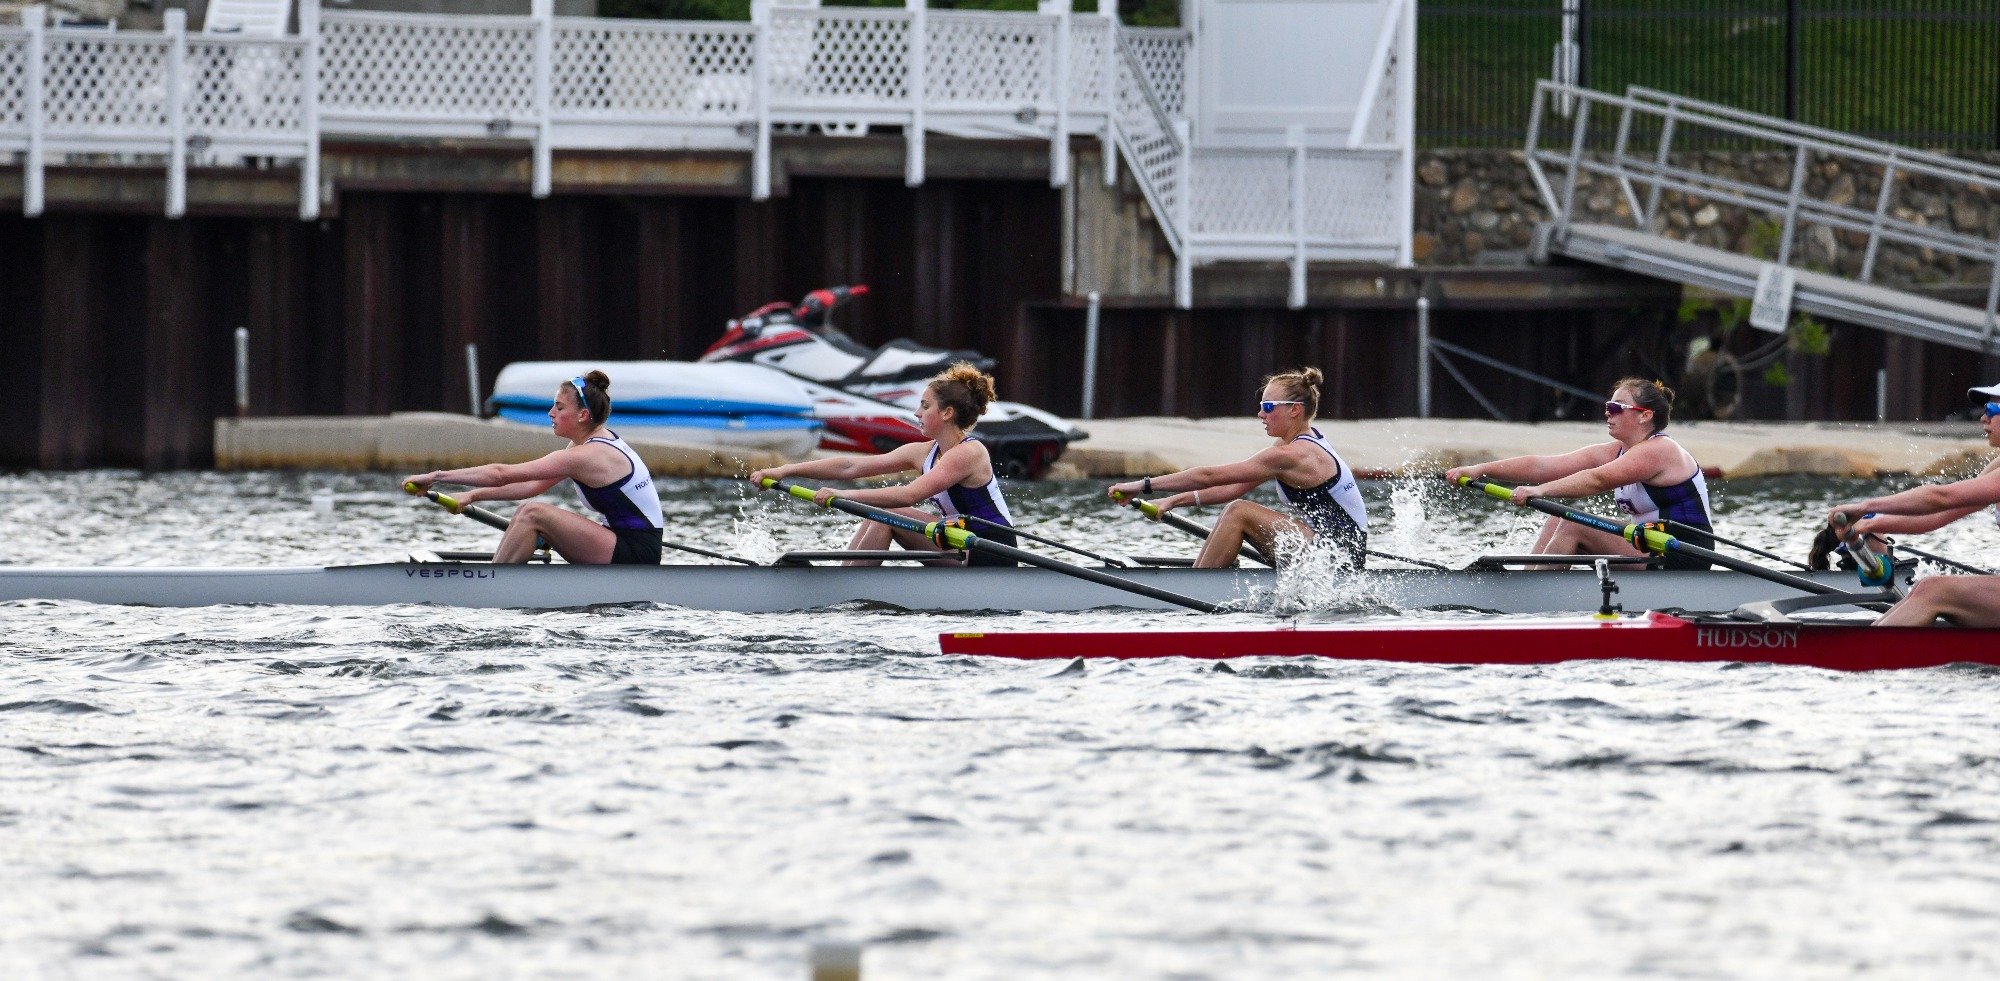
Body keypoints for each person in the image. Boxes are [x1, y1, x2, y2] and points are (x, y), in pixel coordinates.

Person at [747, 362, 1018, 566]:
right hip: (956, 542)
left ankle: (843, 591)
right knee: (878, 513)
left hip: (992, 550)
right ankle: (842, 581)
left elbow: (909, 495)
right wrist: (784, 471)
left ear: (947, 413)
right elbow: (849, 467)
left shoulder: (969, 453)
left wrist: (842, 494)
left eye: (925, 406)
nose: (916, 413)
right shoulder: (922, 452)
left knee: (889, 513)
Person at [1106, 367, 1368, 569]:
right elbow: (1230, 488)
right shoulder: (1294, 443)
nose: (1260, 415)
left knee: (1239, 512)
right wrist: (1171, 502)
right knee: (1235, 508)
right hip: (1326, 546)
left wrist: (1142, 485)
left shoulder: (1295, 454)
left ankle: (1195, 586)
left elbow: (1208, 476)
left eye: (1268, 407)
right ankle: (1200, 577)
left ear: (1294, 411)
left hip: (1337, 555)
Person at [1442, 377, 1715, 570]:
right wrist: (1481, 469)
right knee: (1556, 519)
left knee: (1573, 524)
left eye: (1617, 408)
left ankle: (1532, 595)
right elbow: (1543, 466)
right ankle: (1529, 585)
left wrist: (1540, 491)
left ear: (1645, 416)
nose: (1608, 413)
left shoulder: (1660, 450)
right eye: (1608, 407)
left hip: (1683, 552)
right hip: (1649, 544)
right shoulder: (1616, 451)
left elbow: (1597, 480)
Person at [402, 371, 664, 565]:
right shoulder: (586, 445)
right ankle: (499, 576)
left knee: (533, 513)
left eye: (559, 407)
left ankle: (492, 585)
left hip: (636, 552)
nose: (551, 413)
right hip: (621, 541)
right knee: (526, 512)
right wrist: (472, 495)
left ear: (583, 415)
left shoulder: (590, 454)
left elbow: (501, 474)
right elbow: (529, 486)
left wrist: (437, 477)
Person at [1823, 385, 2000, 627]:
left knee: (1935, 591)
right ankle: (1864, 648)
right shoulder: (1995, 468)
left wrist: (1866, 505)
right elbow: (1937, 515)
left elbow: (1941, 497)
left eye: (1991, 409)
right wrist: (1869, 524)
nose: (1983, 417)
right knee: (1926, 588)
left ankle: (1858, 658)